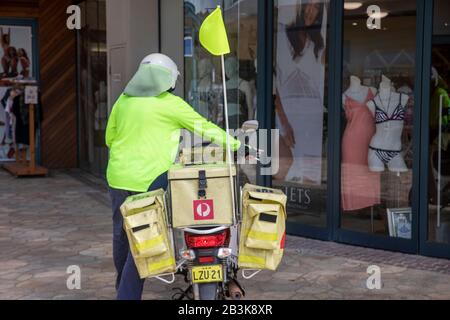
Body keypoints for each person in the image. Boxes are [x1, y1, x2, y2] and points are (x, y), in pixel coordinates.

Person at [105, 53, 241, 300]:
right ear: (168, 80)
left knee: (122, 237)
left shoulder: (123, 102)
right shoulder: (170, 103)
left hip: (117, 178)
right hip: (149, 181)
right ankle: (125, 296)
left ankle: (121, 286)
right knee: (143, 244)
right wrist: (234, 143)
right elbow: (203, 126)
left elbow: (109, 139)